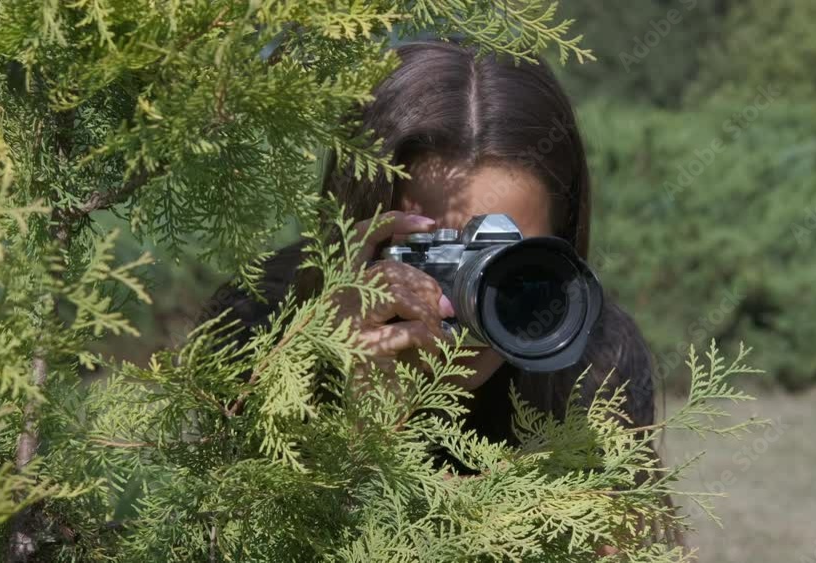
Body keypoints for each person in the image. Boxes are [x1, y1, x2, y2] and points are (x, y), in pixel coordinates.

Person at [207, 39, 655, 458]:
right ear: (357, 240)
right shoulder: (254, 329)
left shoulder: (597, 361)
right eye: (437, 254)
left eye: (512, 265)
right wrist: (361, 425)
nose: (475, 299)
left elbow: (619, 539)